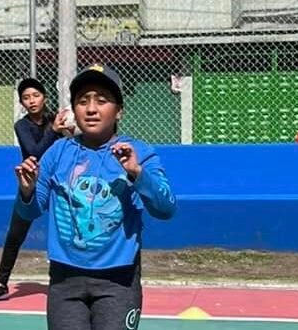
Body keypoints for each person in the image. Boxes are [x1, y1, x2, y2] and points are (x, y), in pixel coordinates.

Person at [14, 64, 176, 330]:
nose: (91, 109)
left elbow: (166, 208)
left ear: (119, 110)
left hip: (118, 282)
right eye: (82, 101)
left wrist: (137, 173)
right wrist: (27, 190)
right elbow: (29, 212)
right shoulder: (57, 153)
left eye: (102, 101)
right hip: (65, 279)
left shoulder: (139, 153)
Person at [0, 77, 71, 303]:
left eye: (36, 96)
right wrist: (54, 131)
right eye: (26, 98)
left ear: (45, 97)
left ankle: (72, 281)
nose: (32, 101)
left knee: (68, 229)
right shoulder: (21, 125)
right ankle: (0, 284)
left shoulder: (57, 119)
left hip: (59, 182)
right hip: (32, 182)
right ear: (22, 102)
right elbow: (33, 152)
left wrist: (64, 129)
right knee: (15, 234)